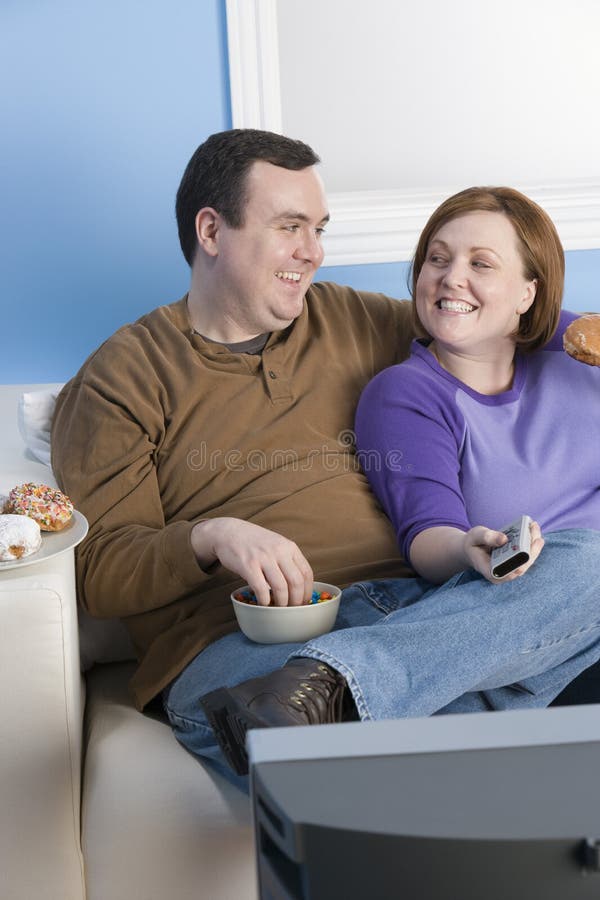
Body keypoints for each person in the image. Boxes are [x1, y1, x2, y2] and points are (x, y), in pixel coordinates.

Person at [50, 128, 417, 784]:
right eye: (290, 226)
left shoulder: (352, 320)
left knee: (580, 567)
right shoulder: (123, 375)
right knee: (486, 664)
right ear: (213, 231)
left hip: (402, 606)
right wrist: (209, 537)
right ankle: (416, 694)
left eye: (319, 228)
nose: (314, 253)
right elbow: (100, 572)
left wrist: (575, 335)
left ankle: (354, 695)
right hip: (242, 650)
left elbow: (482, 323)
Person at [201, 185, 600, 777]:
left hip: (571, 642)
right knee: (588, 561)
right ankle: (336, 696)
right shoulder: (406, 393)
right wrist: (470, 548)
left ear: (528, 292)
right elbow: (427, 535)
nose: (450, 278)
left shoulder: (578, 354)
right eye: (437, 259)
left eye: (480, 264)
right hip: (514, 613)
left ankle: (339, 699)